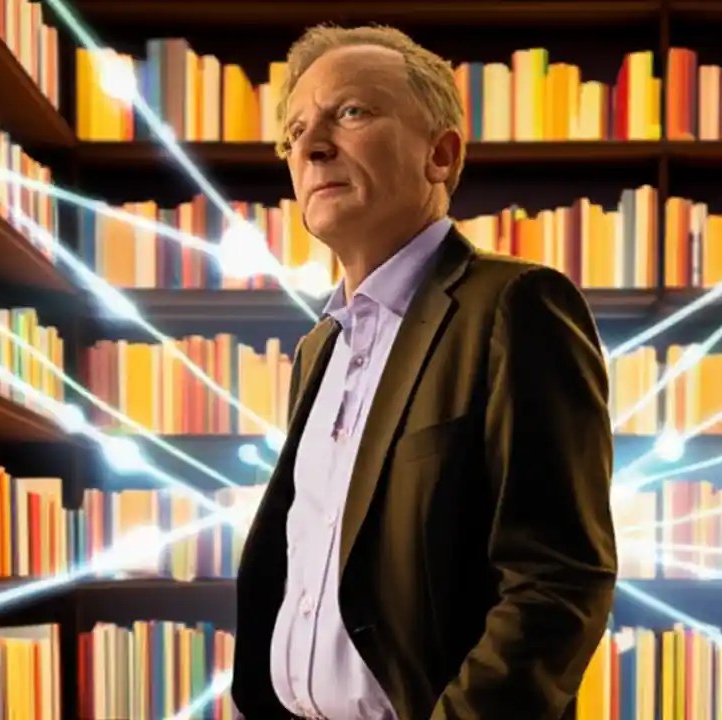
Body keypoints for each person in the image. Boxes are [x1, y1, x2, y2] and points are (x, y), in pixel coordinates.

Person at [232, 23, 617, 720]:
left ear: (440, 155)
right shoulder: (318, 349)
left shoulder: (515, 306)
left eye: (350, 112)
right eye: (294, 131)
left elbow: (558, 582)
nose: (313, 145)